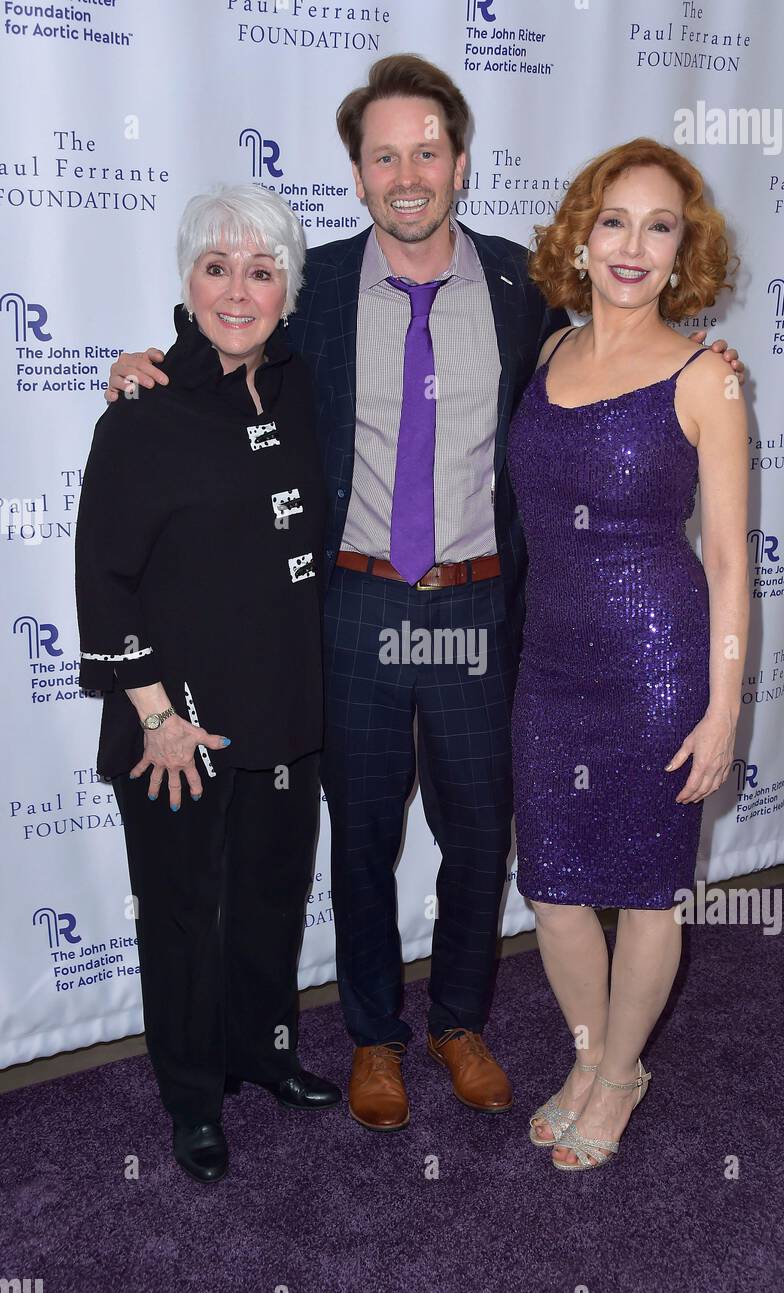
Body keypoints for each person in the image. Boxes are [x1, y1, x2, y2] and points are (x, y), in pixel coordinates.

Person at [105, 56, 745, 1135]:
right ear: (356, 176)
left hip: (481, 609)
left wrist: (707, 363)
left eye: (427, 152)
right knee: (356, 834)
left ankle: (458, 1019)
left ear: (459, 161)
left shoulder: (520, 287)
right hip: (353, 609)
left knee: (477, 829)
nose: (408, 174)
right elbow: (230, 331)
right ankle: (372, 1037)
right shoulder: (310, 297)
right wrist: (149, 361)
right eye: (383, 156)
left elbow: (622, 345)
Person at [76, 184, 340, 1183]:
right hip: (172, 728)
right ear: (187, 282)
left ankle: (263, 1057)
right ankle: (192, 1098)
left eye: (261, 269)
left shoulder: (307, 387)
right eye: (217, 267)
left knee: (271, 895)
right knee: (185, 912)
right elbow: (104, 577)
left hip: (283, 707)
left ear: (287, 288)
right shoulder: (144, 412)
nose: (239, 288)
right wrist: (157, 717)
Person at [507, 138, 749, 1170]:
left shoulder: (706, 379)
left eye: (660, 228)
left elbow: (733, 562)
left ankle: (618, 1075)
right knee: (554, 888)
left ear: (681, 252)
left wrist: (721, 706)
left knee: (648, 889)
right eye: (614, 221)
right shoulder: (544, 353)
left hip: (658, 666)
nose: (632, 246)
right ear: (581, 231)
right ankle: (589, 1049)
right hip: (548, 662)